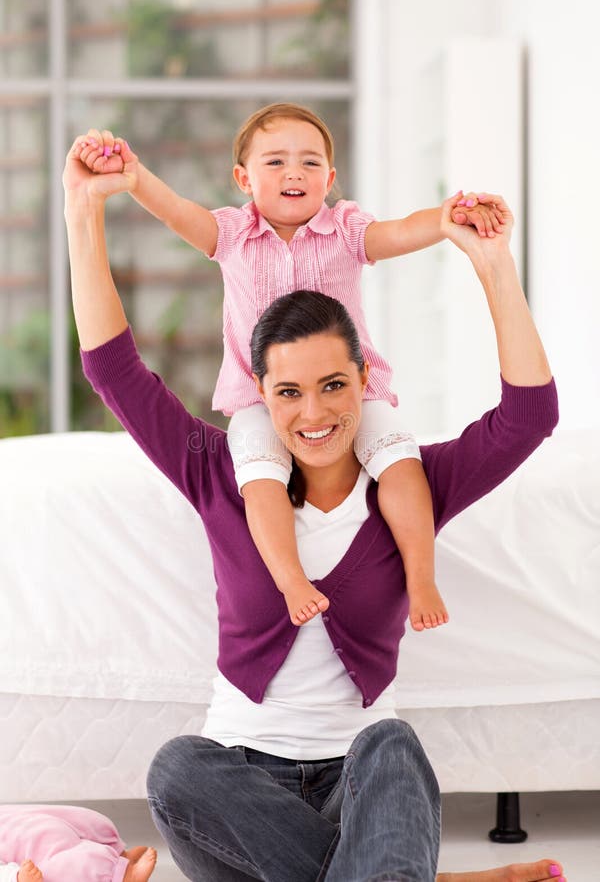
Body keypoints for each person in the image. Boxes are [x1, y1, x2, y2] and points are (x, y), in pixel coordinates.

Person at [64, 136, 564, 882]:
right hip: (239, 795)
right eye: (289, 392)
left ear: (364, 380)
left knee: (392, 747)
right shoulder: (218, 471)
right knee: (176, 769)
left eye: (334, 385)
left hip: (363, 784)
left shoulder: (413, 486)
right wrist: (82, 210)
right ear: (259, 395)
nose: (315, 413)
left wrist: (492, 265)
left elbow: (529, 417)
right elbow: (114, 370)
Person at [74, 102, 505, 632]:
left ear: (331, 177)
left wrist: (443, 220)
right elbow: (176, 210)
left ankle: (420, 577)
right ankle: (289, 579)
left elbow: (398, 232)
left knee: (400, 460)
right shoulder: (231, 233)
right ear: (243, 178)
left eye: (309, 161)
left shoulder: (346, 228)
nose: (294, 173)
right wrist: (135, 179)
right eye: (275, 162)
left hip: (352, 391)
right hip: (259, 399)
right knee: (258, 477)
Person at [0, 804, 157, 882]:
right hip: (30, 854)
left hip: (20, 825)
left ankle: (121, 857)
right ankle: (126, 876)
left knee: (85, 821)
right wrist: (16, 877)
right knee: (65, 865)